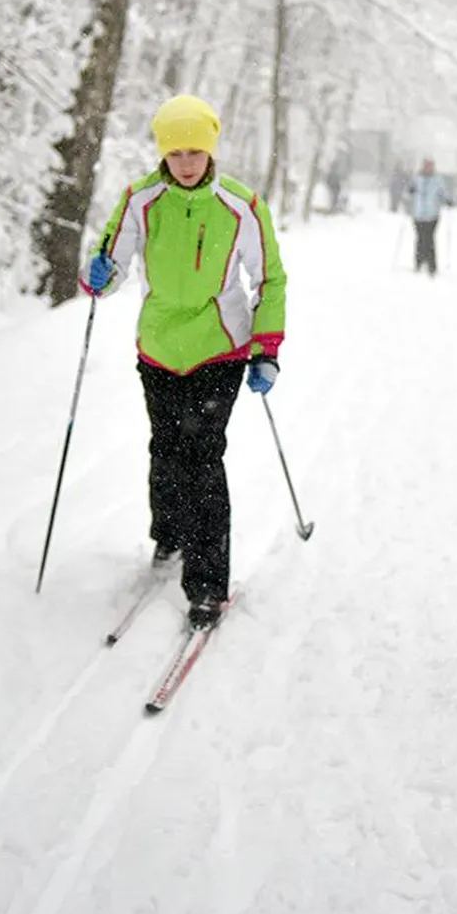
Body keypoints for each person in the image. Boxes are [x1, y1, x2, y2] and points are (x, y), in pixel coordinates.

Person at [80, 94, 288, 629]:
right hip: (157, 349)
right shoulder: (139, 200)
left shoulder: (241, 205)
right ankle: (167, 535)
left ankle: (207, 582)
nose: (188, 162)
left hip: (219, 350)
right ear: (164, 155)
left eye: (196, 151)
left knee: (203, 457)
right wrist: (99, 276)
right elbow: (111, 264)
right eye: (177, 153)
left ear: (211, 150)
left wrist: (266, 350)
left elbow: (269, 279)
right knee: (166, 448)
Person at [407, 158, 450, 274]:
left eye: (430, 166)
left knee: (430, 239)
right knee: (420, 239)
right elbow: (408, 193)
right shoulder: (417, 179)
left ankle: (432, 265)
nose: (428, 168)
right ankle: (419, 262)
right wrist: (410, 191)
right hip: (418, 214)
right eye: (426, 166)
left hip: (432, 214)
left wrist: (447, 200)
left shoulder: (437, 180)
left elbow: (444, 192)